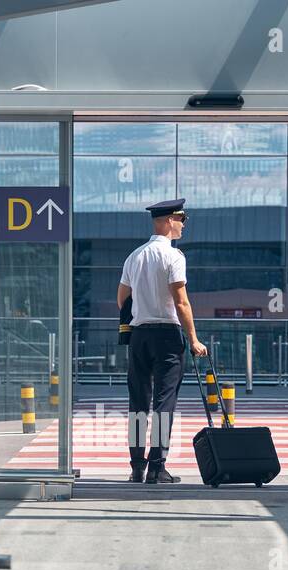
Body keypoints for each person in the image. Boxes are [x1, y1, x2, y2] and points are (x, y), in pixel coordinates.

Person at [117, 198, 208, 483]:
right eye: (182, 219)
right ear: (169, 220)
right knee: (163, 402)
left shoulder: (134, 256)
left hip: (139, 335)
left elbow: (122, 297)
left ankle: (136, 467)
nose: (183, 225)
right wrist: (193, 338)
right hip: (167, 336)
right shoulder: (174, 257)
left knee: (137, 403)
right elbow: (181, 302)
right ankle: (157, 467)